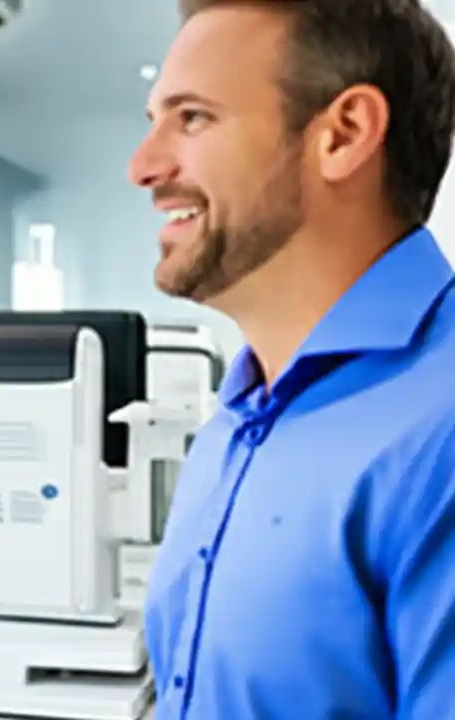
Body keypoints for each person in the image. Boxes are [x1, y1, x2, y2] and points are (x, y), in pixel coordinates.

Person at [128, 1, 455, 718]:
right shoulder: (241, 413)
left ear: (342, 135)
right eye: (153, 120)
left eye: (192, 118)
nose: (143, 167)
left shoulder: (441, 428)